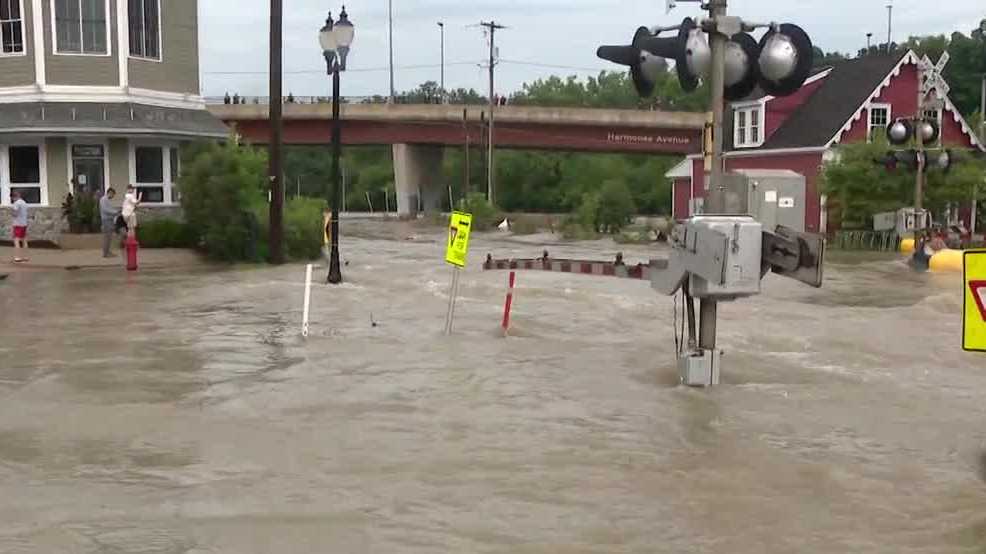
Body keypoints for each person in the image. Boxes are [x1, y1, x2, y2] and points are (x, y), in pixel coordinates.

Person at [99, 188, 120, 258]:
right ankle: (105, 253)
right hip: (106, 220)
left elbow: (110, 209)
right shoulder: (103, 199)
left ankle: (108, 251)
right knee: (107, 237)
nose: (113, 196)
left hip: (109, 220)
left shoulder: (107, 200)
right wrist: (115, 212)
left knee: (109, 237)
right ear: (110, 193)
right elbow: (105, 210)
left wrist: (116, 211)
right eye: (113, 194)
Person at [10, 190, 28, 263]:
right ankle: (26, 256)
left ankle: (17, 257)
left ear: (14, 197)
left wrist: (12, 213)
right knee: (24, 240)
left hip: (18, 224)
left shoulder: (16, 203)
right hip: (24, 223)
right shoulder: (24, 202)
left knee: (16, 240)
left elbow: (15, 213)